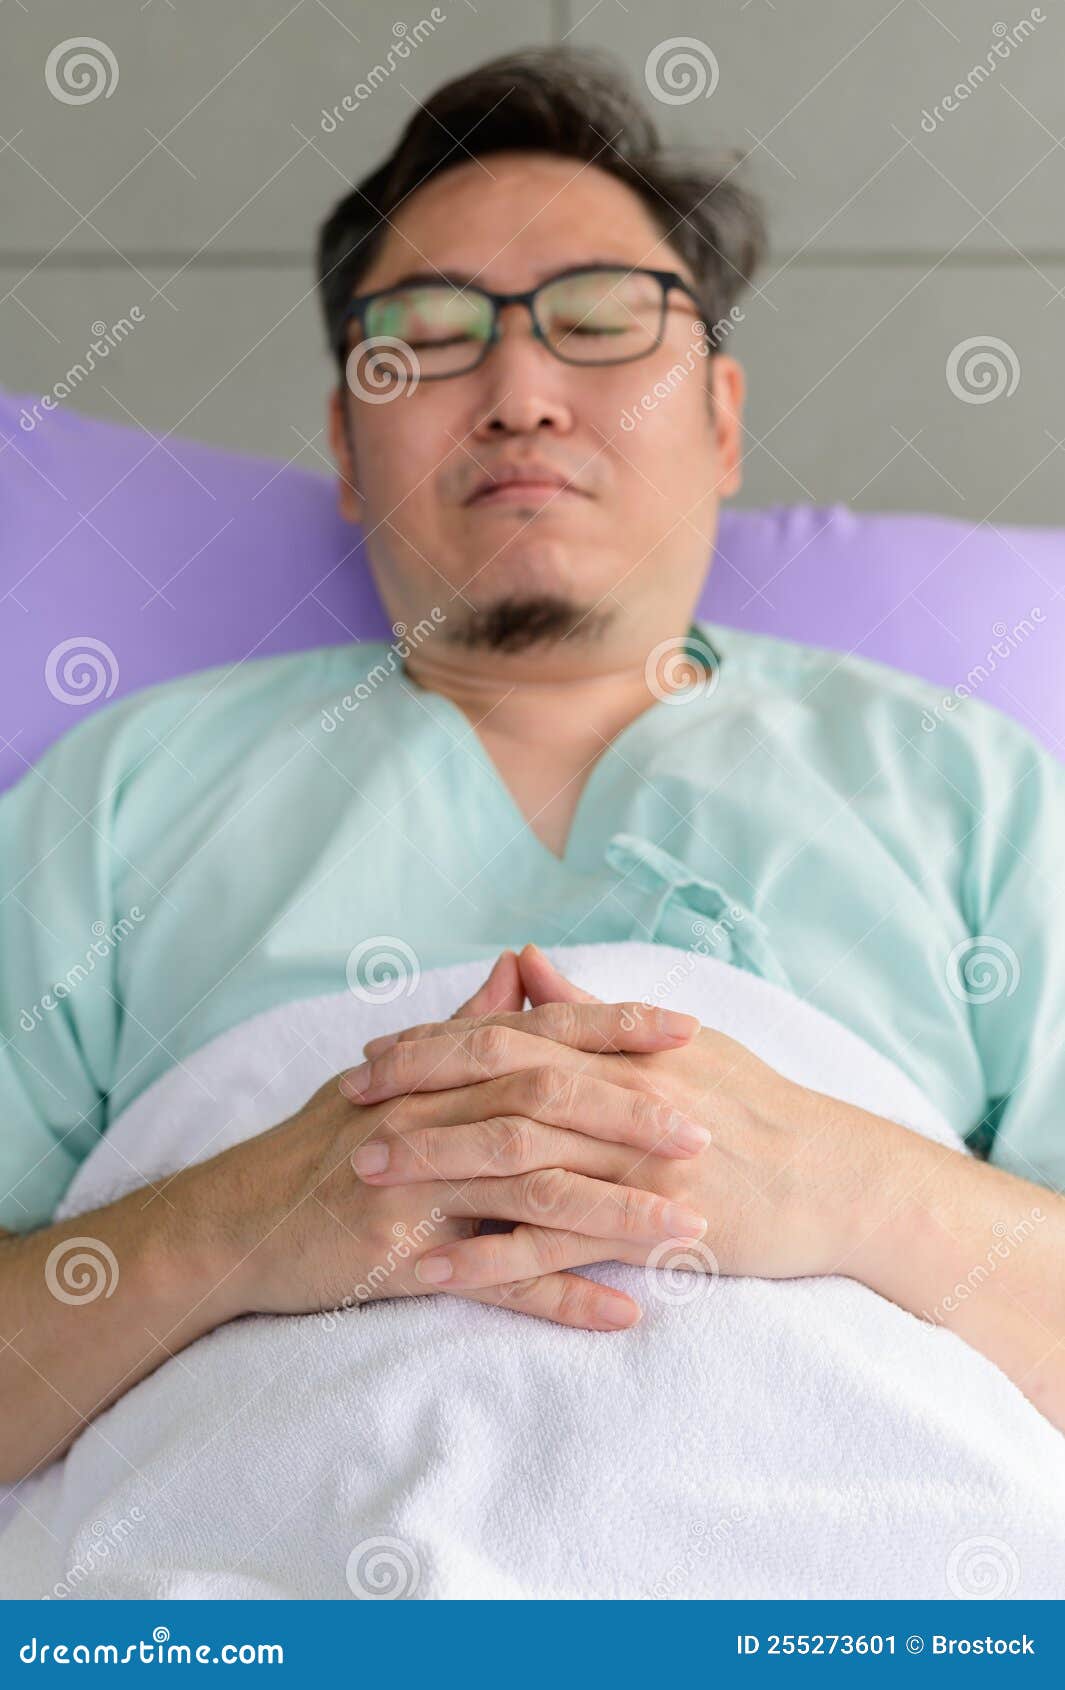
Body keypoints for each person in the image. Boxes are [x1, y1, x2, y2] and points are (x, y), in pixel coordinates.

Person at [2, 47, 1064, 1489]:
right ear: (343, 439)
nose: (517, 389)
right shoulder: (121, 793)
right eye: (427, 334)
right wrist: (245, 1217)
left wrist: (856, 1186)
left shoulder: (969, 790)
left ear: (723, 417)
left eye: (602, 322)